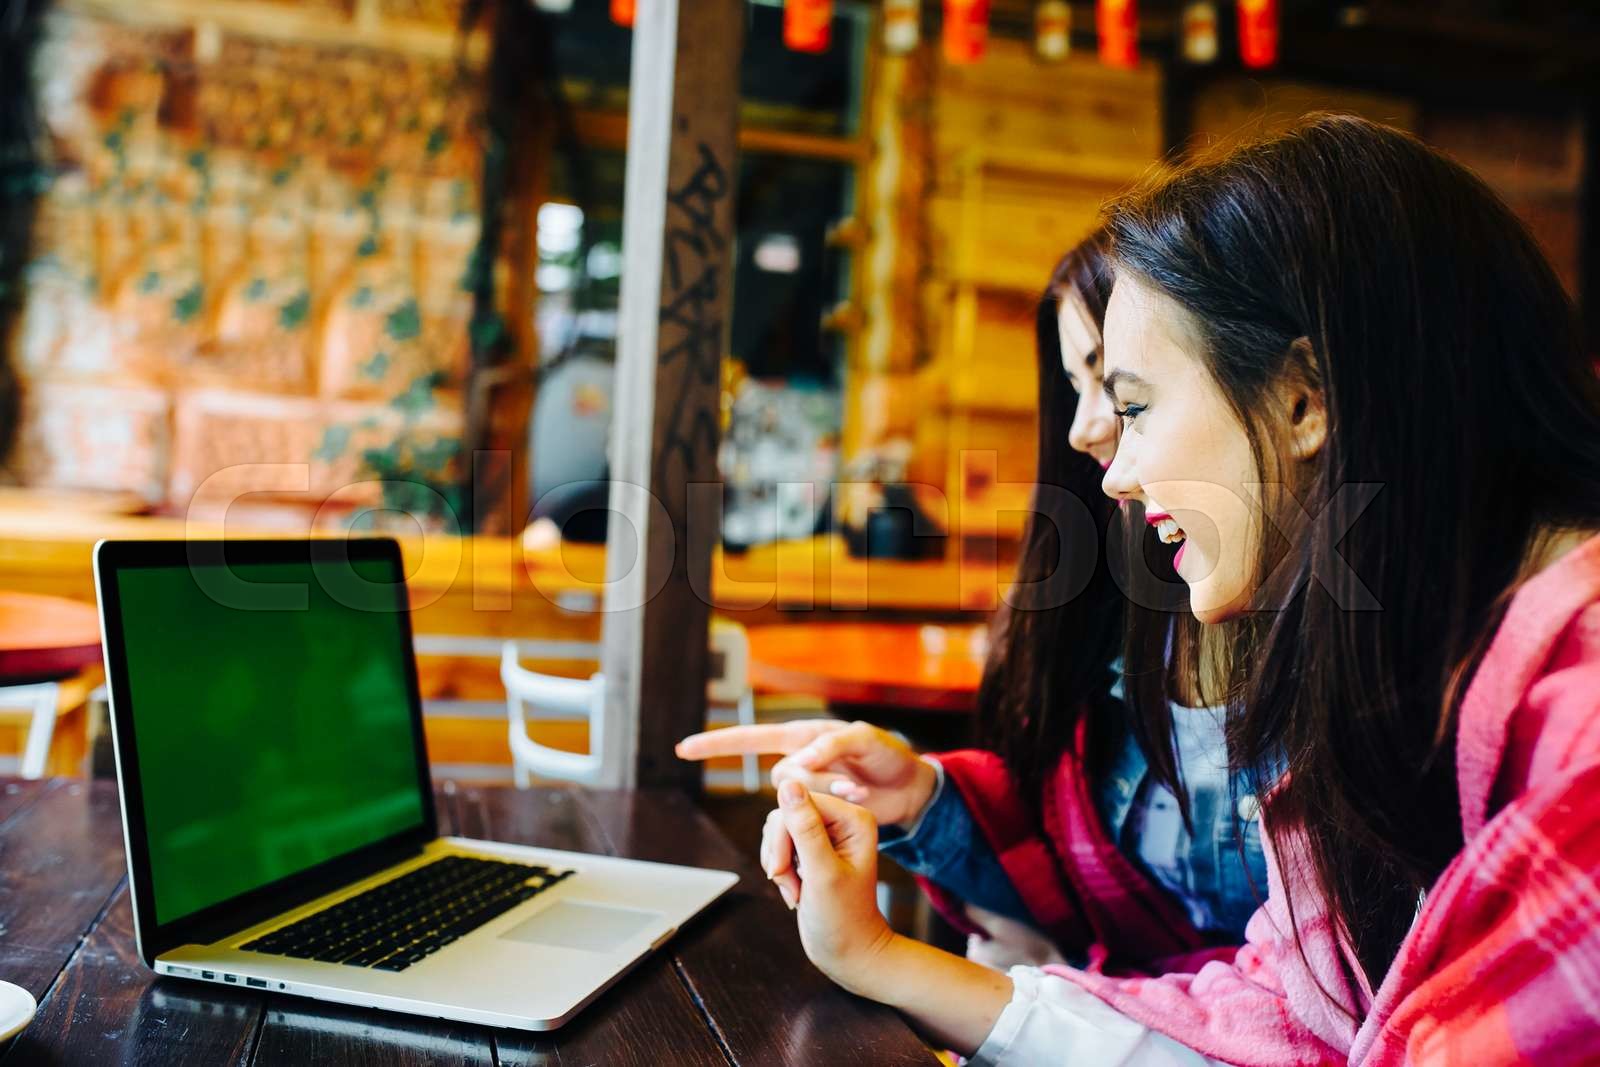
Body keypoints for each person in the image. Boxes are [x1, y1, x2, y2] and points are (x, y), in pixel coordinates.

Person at [717, 114, 1600, 1065]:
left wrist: (895, 955)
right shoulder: (1378, 667)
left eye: (1131, 400)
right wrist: (895, 910)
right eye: (1085, 394)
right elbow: (1282, 1015)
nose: (1105, 459)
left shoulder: (1569, 718)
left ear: (1306, 399)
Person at [679, 231, 1271, 981]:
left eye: (1121, 391)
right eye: (1074, 386)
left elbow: (1303, 1000)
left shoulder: (1328, 652)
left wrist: (977, 989)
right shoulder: (1112, 623)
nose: (1084, 425)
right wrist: (921, 798)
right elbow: (1066, 899)